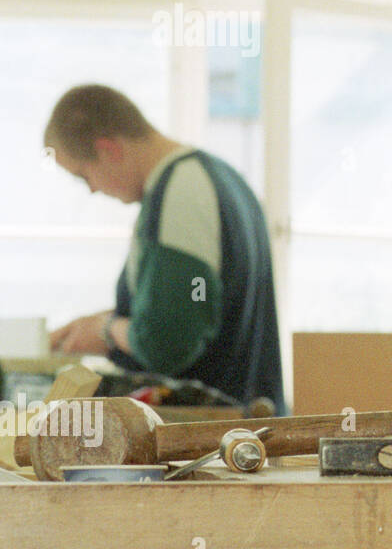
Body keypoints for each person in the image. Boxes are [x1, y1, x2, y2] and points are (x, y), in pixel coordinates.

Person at [44, 84, 284, 413]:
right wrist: (102, 322)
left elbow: (169, 340)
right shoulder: (219, 176)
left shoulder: (183, 192)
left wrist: (107, 331)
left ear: (108, 149)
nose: (92, 190)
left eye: (83, 176)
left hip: (207, 431)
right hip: (242, 422)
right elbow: (192, 301)